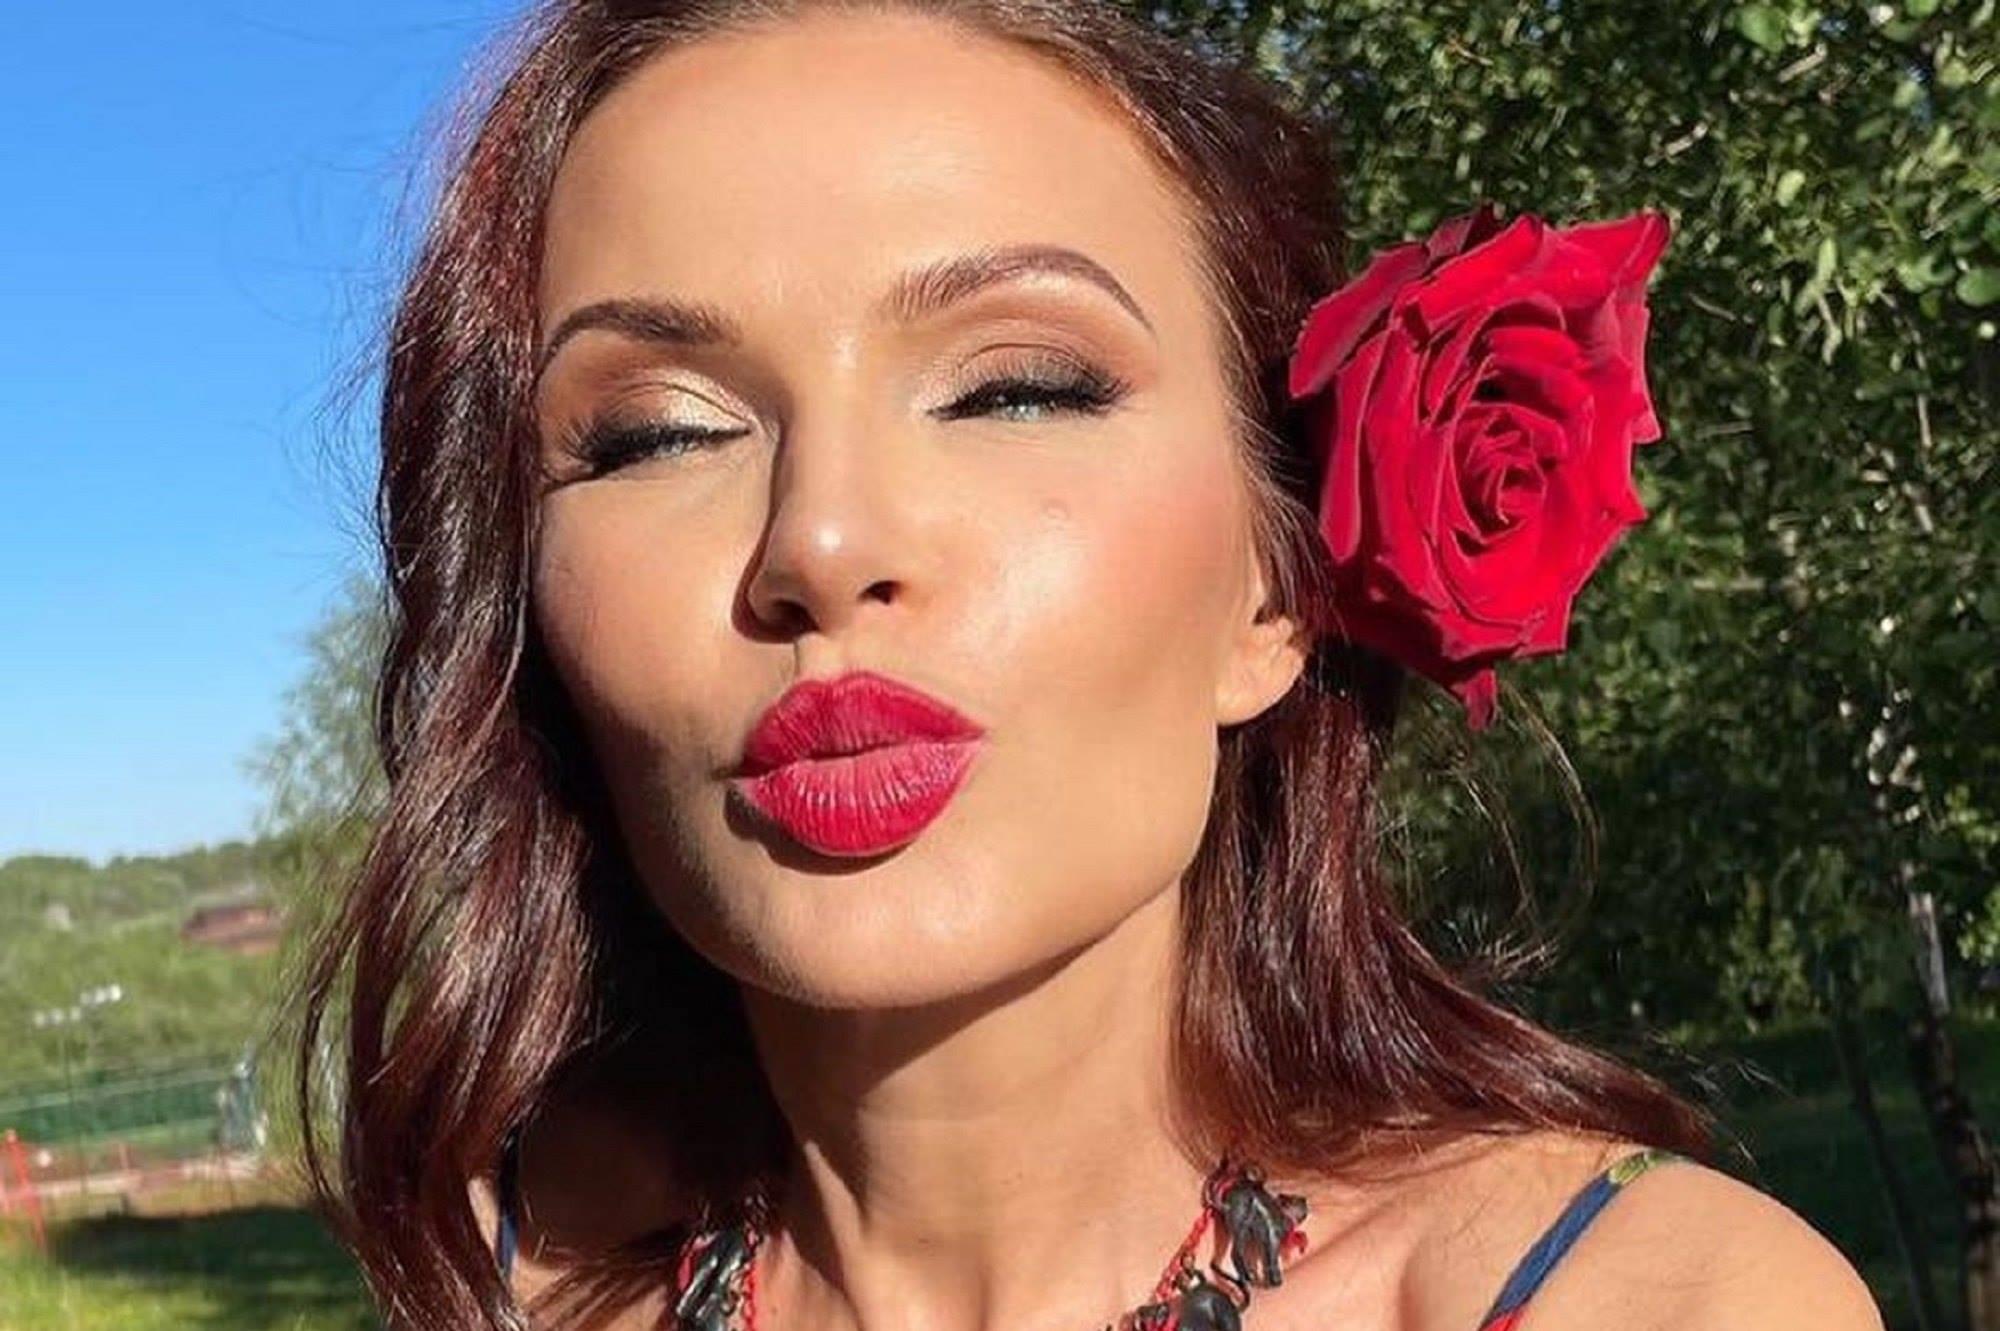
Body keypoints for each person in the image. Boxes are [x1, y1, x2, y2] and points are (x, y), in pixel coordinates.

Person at [284, 3, 1885, 1329]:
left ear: (1274, 589)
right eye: (658, 433)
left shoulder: (1658, 1302)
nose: (822, 542)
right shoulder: (500, 1271)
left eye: (1017, 392)